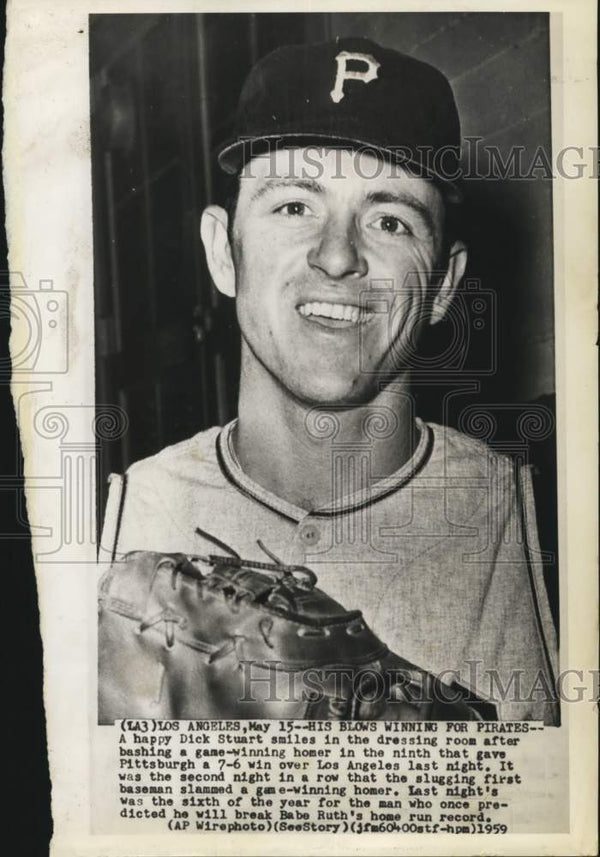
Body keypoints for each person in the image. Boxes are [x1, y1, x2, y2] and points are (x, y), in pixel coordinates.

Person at [100, 37, 559, 723]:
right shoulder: (112, 523)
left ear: (443, 286)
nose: (339, 255)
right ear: (223, 254)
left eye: (390, 219)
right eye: (293, 206)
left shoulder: (550, 522)